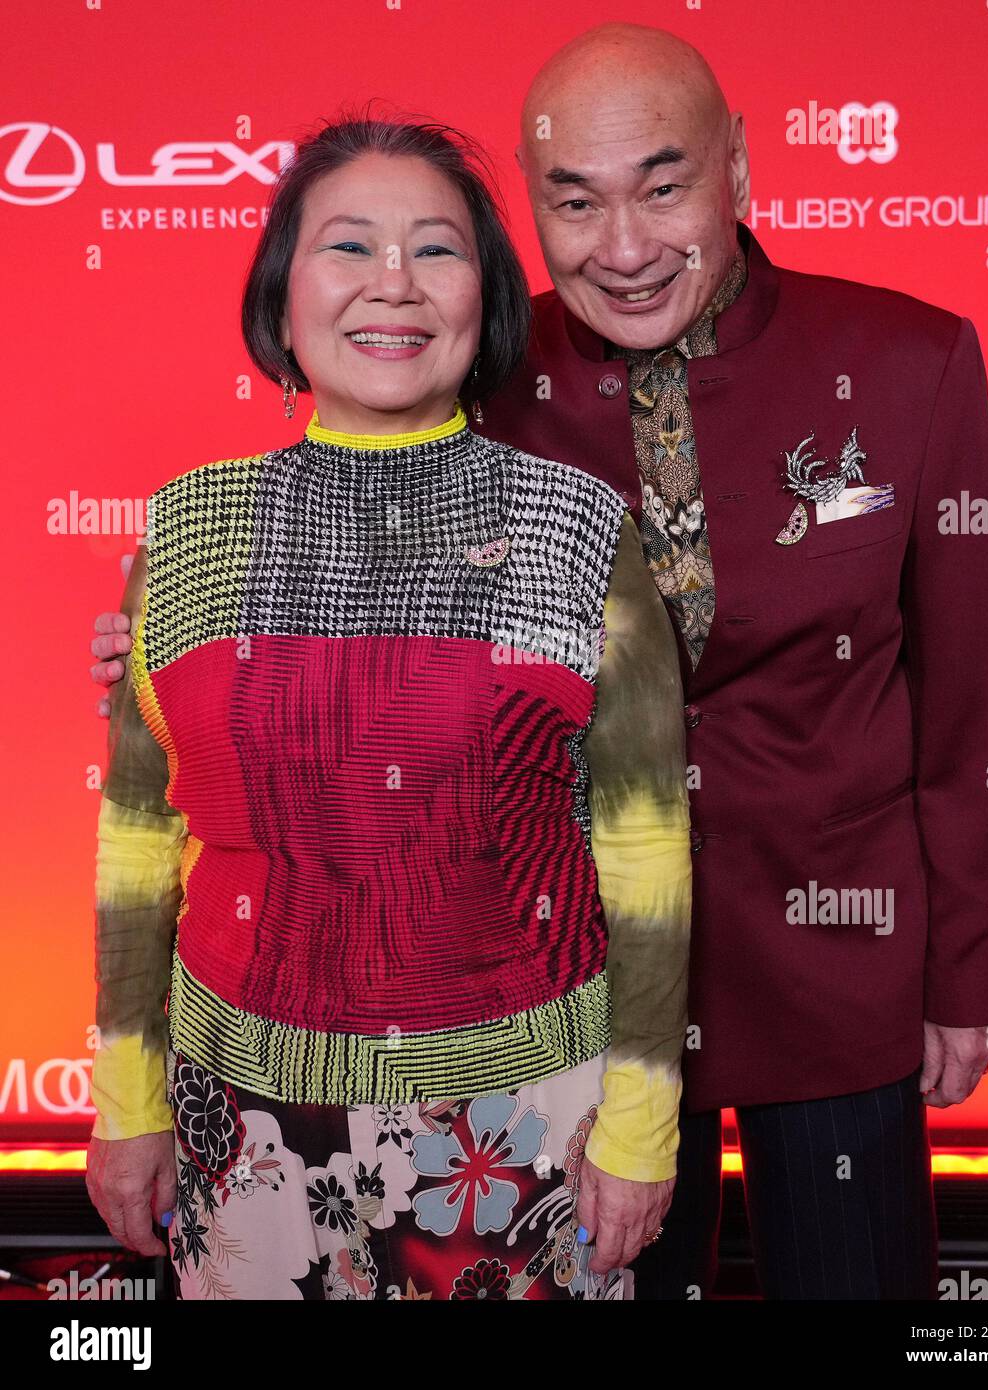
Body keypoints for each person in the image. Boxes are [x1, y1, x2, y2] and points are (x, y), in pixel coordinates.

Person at [92, 23, 988, 1301]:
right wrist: (159, 653)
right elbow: (347, 581)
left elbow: (968, 702)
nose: (624, 248)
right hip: (579, 994)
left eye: (662, 185)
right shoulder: (474, 366)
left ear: (739, 170)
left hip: (835, 964)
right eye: (574, 204)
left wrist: (964, 970)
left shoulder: (911, 360)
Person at [85, 115, 693, 1301]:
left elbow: (644, 851)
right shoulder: (185, 527)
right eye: (349, 246)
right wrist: (127, 1100)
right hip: (243, 1126)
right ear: (282, 290)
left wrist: (640, 1125)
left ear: (489, 299)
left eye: (438, 250)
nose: (394, 286)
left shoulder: (574, 526)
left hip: (517, 1130)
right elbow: (138, 842)